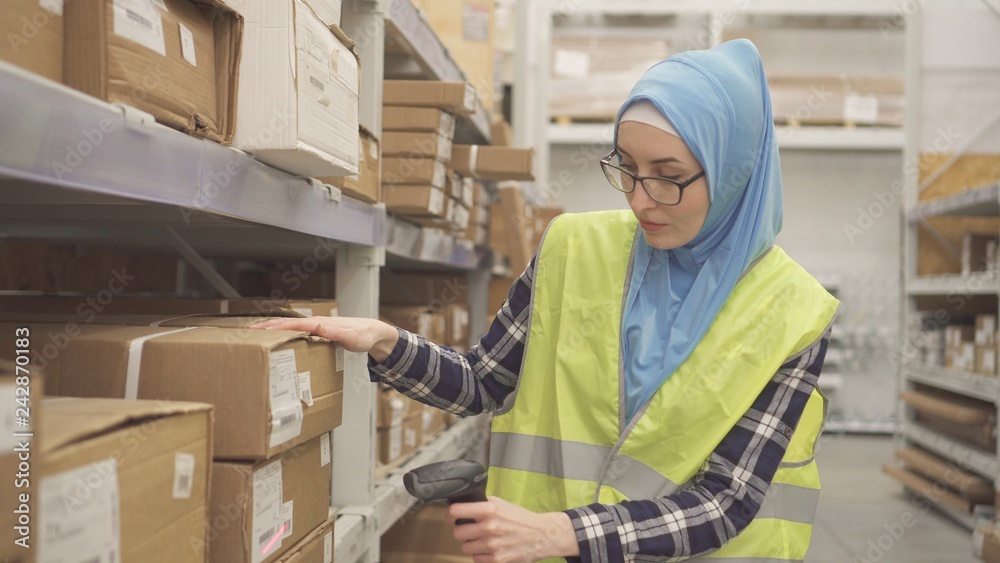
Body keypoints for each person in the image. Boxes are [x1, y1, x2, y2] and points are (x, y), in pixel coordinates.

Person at [254, 39, 839, 562]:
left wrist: (565, 534)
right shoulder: (573, 248)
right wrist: (386, 343)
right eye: (627, 169)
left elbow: (726, 501)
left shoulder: (795, 314)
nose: (641, 200)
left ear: (735, 172)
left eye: (668, 176)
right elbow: (484, 382)